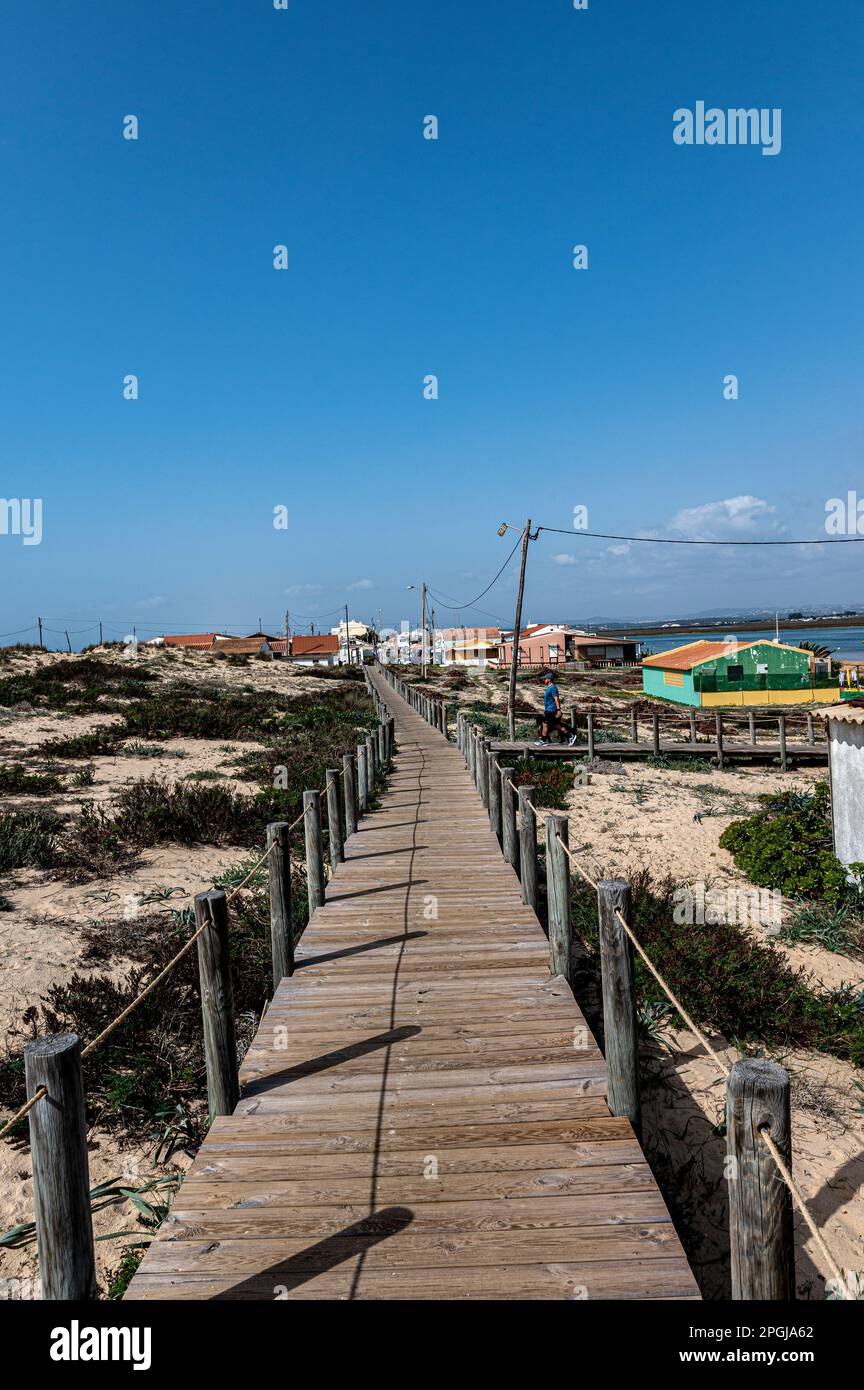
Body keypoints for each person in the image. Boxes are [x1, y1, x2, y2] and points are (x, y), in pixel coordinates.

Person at [535, 673, 578, 745]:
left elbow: (556, 699)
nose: (544, 680)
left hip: (551, 710)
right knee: (555, 725)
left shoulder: (553, 688)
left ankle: (544, 741)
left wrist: (558, 710)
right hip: (548, 710)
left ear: (549, 679)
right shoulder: (549, 688)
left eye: (545, 679)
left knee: (546, 724)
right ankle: (570, 736)